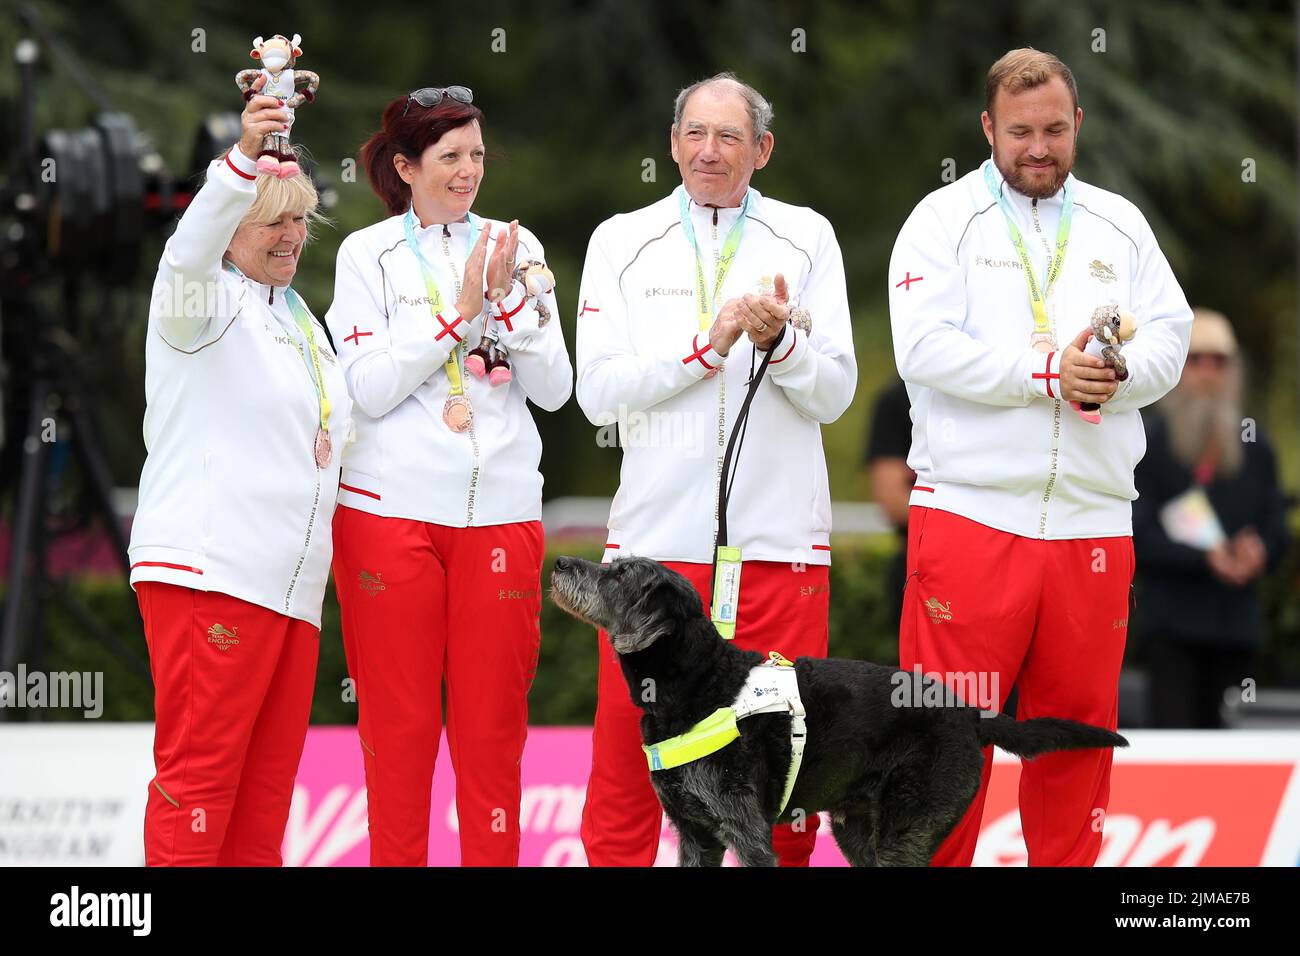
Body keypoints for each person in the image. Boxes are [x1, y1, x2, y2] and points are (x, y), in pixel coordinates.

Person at [887, 47, 1192, 866]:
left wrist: (1115, 378)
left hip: (1093, 522)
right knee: (944, 740)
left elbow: (1172, 334)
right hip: (971, 516)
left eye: (1056, 129)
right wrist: (1046, 374)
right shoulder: (941, 220)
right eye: (1020, 131)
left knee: (1077, 742)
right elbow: (921, 348)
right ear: (988, 128)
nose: (1039, 148)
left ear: (1078, 124)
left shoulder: (1120, 223)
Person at [575, 72, 857, 866]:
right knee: (628, 778)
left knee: (785, 781)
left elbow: (835, 392)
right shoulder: (620, 240)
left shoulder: (808, 237)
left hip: (779, 550)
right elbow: (597, 394)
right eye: (695, 134)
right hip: (655, 558)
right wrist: (708, 346)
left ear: (761, 150)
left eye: (730, 137)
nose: (709, 152)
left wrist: (782, 345)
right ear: (671, 143)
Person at [325, 86, 572, 866]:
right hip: (389, 515)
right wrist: (462, 310)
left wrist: (517, 307)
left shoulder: (515, 247)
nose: (469, 172)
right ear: (406, 166)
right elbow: (368, 388)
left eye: (477, 156)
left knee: (493, 732)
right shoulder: (366, 253)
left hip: (499, 515)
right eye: (450, 157)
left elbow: (558, 390)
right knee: (397, 735)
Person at [129, 75, 351, 866]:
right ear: (231, 230)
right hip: (209, 573)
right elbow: (188, 245)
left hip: (290, 594)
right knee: (200, 786)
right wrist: (246, 156)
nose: (291, 237)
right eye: (271, 224)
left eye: (300, 222)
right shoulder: (198, 301)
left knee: (262, 802)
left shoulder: (302, 322)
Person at [1132, 309, 1288, 728]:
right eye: (1195, 359)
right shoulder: (1146, 440)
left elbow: (1276, 525)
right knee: (1174, 754)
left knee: (1238, 756)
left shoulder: (1256, 446)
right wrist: (1205, 558)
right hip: (1172, 632)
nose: (1207, 372)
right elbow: (1135, 532)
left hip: (1236, 631)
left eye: (1219, 361)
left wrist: (1260, 550)